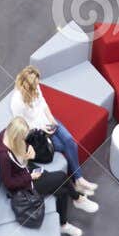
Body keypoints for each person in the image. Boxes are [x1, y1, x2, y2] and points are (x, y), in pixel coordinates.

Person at [0, 116, 96, 236]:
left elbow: (21, 152)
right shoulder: (4, 156)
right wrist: (30, 177)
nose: (25, 140)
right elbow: (9, 183)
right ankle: (78, 199)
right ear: (16, 137)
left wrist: (29, 149)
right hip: (23, 186)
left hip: (26, 169)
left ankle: (63, 224)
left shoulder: (7, 133)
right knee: (61, 177)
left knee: (63, 190)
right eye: (23, 138)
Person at [9, 66, 98, 196]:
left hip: (47, 121)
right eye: (35, 86)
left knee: (69, 141)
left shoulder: (36, 85)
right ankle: (77, 181)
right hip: (38, 131)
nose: (38, 87)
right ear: (27, 86)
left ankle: (79, 179)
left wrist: (51, 118)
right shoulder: (17, 101)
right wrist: (40, 128)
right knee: (62, 146)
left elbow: (43, 102)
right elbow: (22, 126)